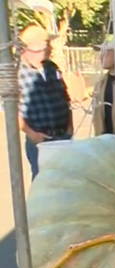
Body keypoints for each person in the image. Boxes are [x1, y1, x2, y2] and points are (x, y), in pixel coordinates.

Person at [18, 25, 72, 179]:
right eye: (47, 44)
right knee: (44, 180)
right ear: (33, 48)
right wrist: (32, 134)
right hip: (40, 139)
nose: (50, 48)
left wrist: (70, 128)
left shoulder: (52, 68)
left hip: (63, 137)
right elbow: (10, 111)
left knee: (67, 179)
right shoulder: (17, 73)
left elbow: (65, 98)